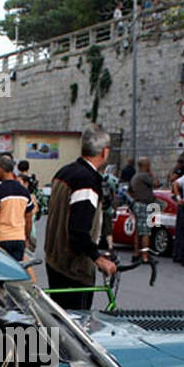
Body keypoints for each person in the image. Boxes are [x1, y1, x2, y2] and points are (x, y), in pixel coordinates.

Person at [43, 126, 119, 310]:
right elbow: (78, 230)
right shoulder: (87, 180)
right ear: (104, 152)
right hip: (73, 267)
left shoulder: (64, 172)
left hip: (55, 259)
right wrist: (99, 259)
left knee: (60, 322)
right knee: (76, 327)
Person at [0, 155, 34, 263]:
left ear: (1, 170)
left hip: (0, 238)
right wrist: (26, 238)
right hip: (19, 238)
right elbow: (29, 219)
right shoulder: (24, 191)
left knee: (0, 271)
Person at [128, 156, 158, 263]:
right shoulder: (145, 176)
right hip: (144, 205)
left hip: (137, 203)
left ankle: (136, 253)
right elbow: (156, 183)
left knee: (138, 231)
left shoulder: (134, 177)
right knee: (146, 232)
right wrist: (152, 174)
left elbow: (130, 190)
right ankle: (145, 256)